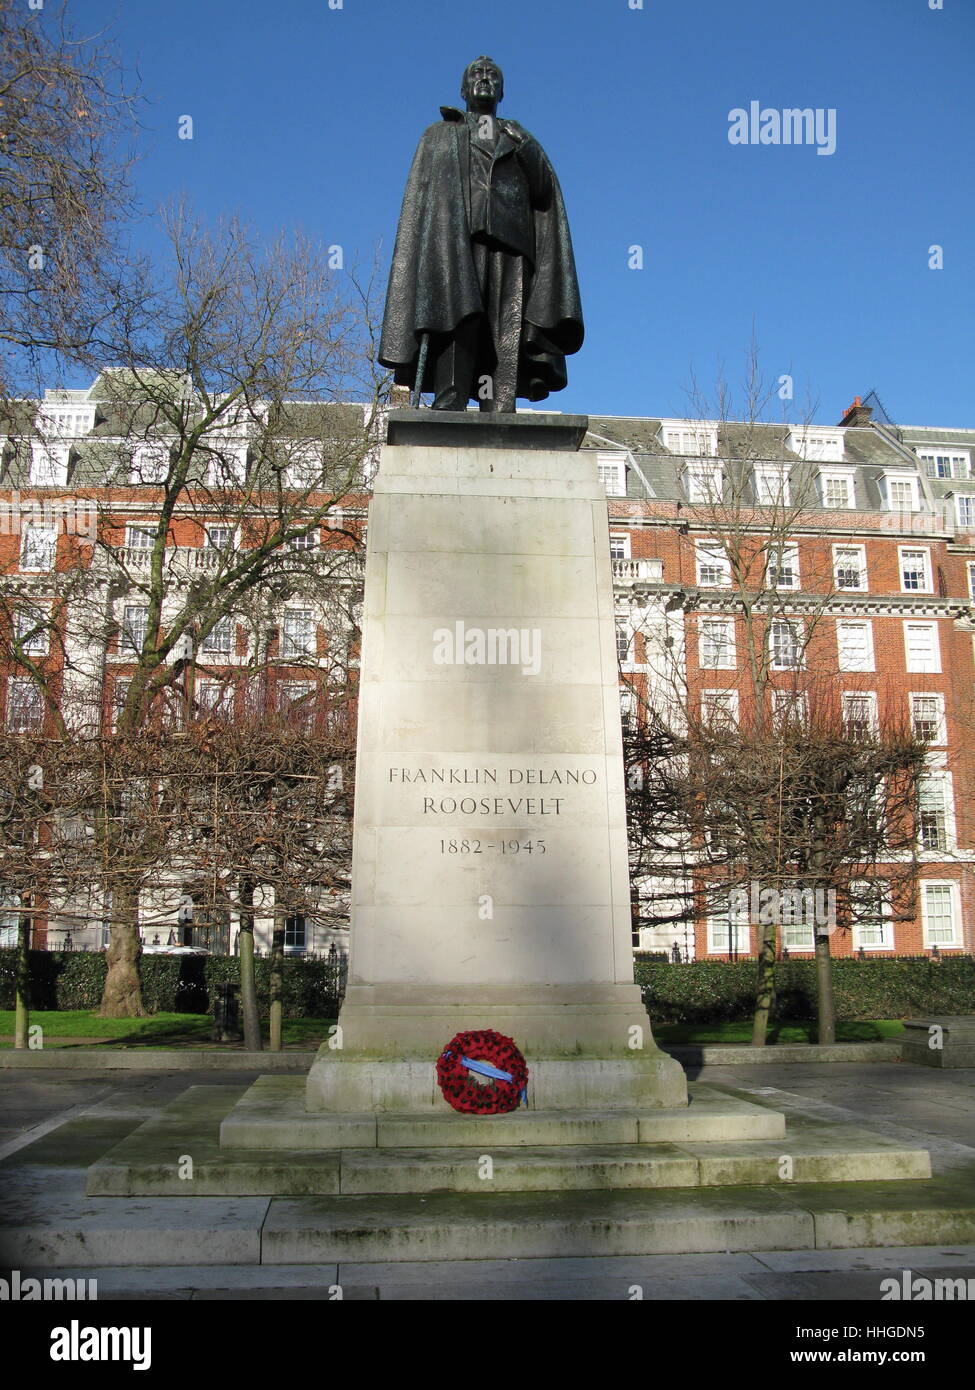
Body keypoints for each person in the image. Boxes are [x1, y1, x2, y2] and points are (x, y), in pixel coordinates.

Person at [379, 56, 584, 413]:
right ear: (462, 89)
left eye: (493, 75)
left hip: (511, 244)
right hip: (454, 242)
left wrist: (527, 148)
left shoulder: (517, 136)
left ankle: (499, 405)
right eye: (477, 74)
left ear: (502, 91)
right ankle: (451, 398)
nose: (485, 78)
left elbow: (543, 191)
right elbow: (421, 202)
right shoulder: (439, 135)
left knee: (505, 327)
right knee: (457, 317)